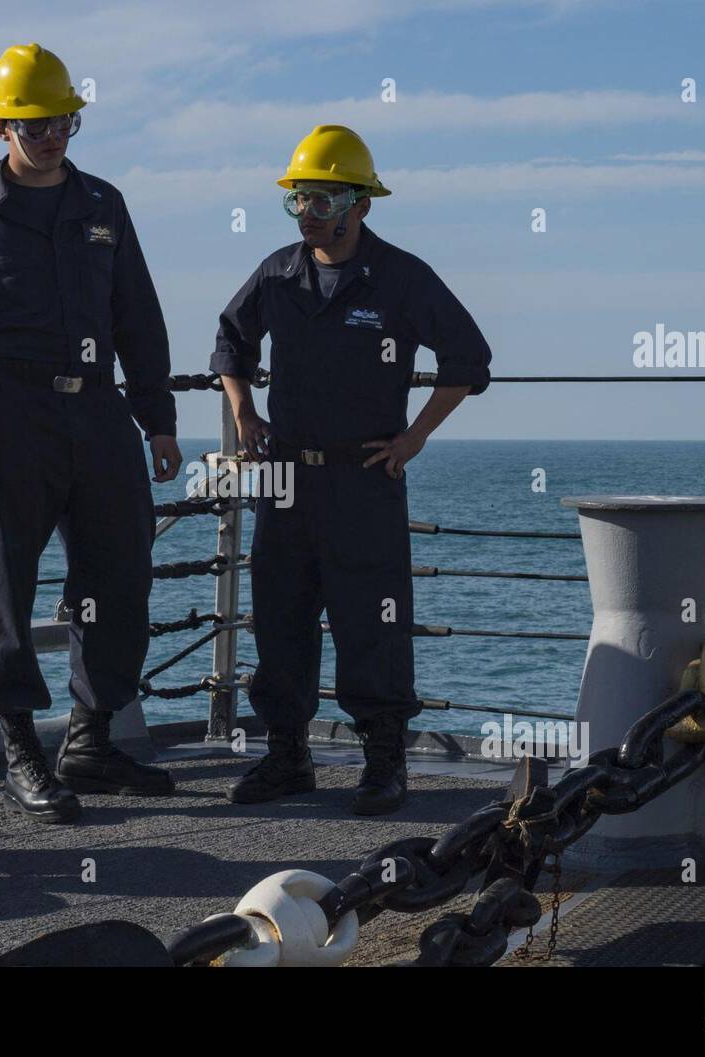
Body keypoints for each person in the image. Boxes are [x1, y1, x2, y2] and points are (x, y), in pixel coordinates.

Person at [0, 44, 182, 824]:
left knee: (120, 573)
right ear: (3, 126)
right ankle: (20, 748)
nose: (52, 136)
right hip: (9, 414)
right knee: (8, 586)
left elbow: (139, 315)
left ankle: (91, 741)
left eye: (63, 120)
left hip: (100, 409)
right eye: (35, 125)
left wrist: (159, 420)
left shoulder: (104, 203)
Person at [211, 125, 492, 815]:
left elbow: (469, 357)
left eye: (323, 199)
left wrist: (415, 436)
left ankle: (384, 763)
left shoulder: (400, 278)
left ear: (361, 204)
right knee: (280, 615)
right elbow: (230, 340)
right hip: (286, 478)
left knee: (374, 620)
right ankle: (287, 756)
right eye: (299, 199)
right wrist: (244, 412)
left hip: (365, 478)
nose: (308, 212)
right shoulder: (278, 273)